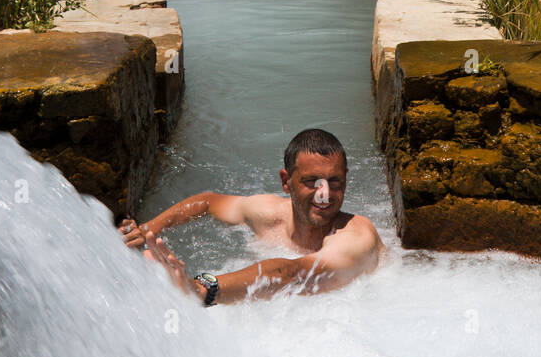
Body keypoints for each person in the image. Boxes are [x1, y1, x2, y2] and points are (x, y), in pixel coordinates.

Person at [119, 128, 383, 306]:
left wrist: (204, 289)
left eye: (334, 181)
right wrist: (148, 229)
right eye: (311, 182)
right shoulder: (268, 213)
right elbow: (208, 202)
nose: (324, 194)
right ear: (286, 181)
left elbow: (293, 274)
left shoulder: (356, 236)